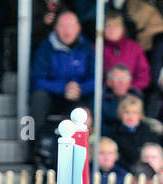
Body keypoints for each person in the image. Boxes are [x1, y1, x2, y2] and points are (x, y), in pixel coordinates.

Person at [30, 10, 94, 138]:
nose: (67, 31)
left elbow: (96, 79)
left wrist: (79, 89)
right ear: (55, 28)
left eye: (70, 26)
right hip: (53, 96)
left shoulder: (87, 48)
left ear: (78, 28)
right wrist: (63, 88)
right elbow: (37, 79)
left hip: (79, 96)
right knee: (38, 97)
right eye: (62, 26)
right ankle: (36, 145)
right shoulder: (45, 48)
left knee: (94, 100)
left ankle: (90, 147)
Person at [102, 10, 150, 91]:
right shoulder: (97, 48)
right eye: (108, 26)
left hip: (131, 92)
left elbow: (144, 76)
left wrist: (129, 88)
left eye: (116, 26)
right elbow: (93, 76)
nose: (112, 29)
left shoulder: (134, 47)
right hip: (106, 93)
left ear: (123, 29)